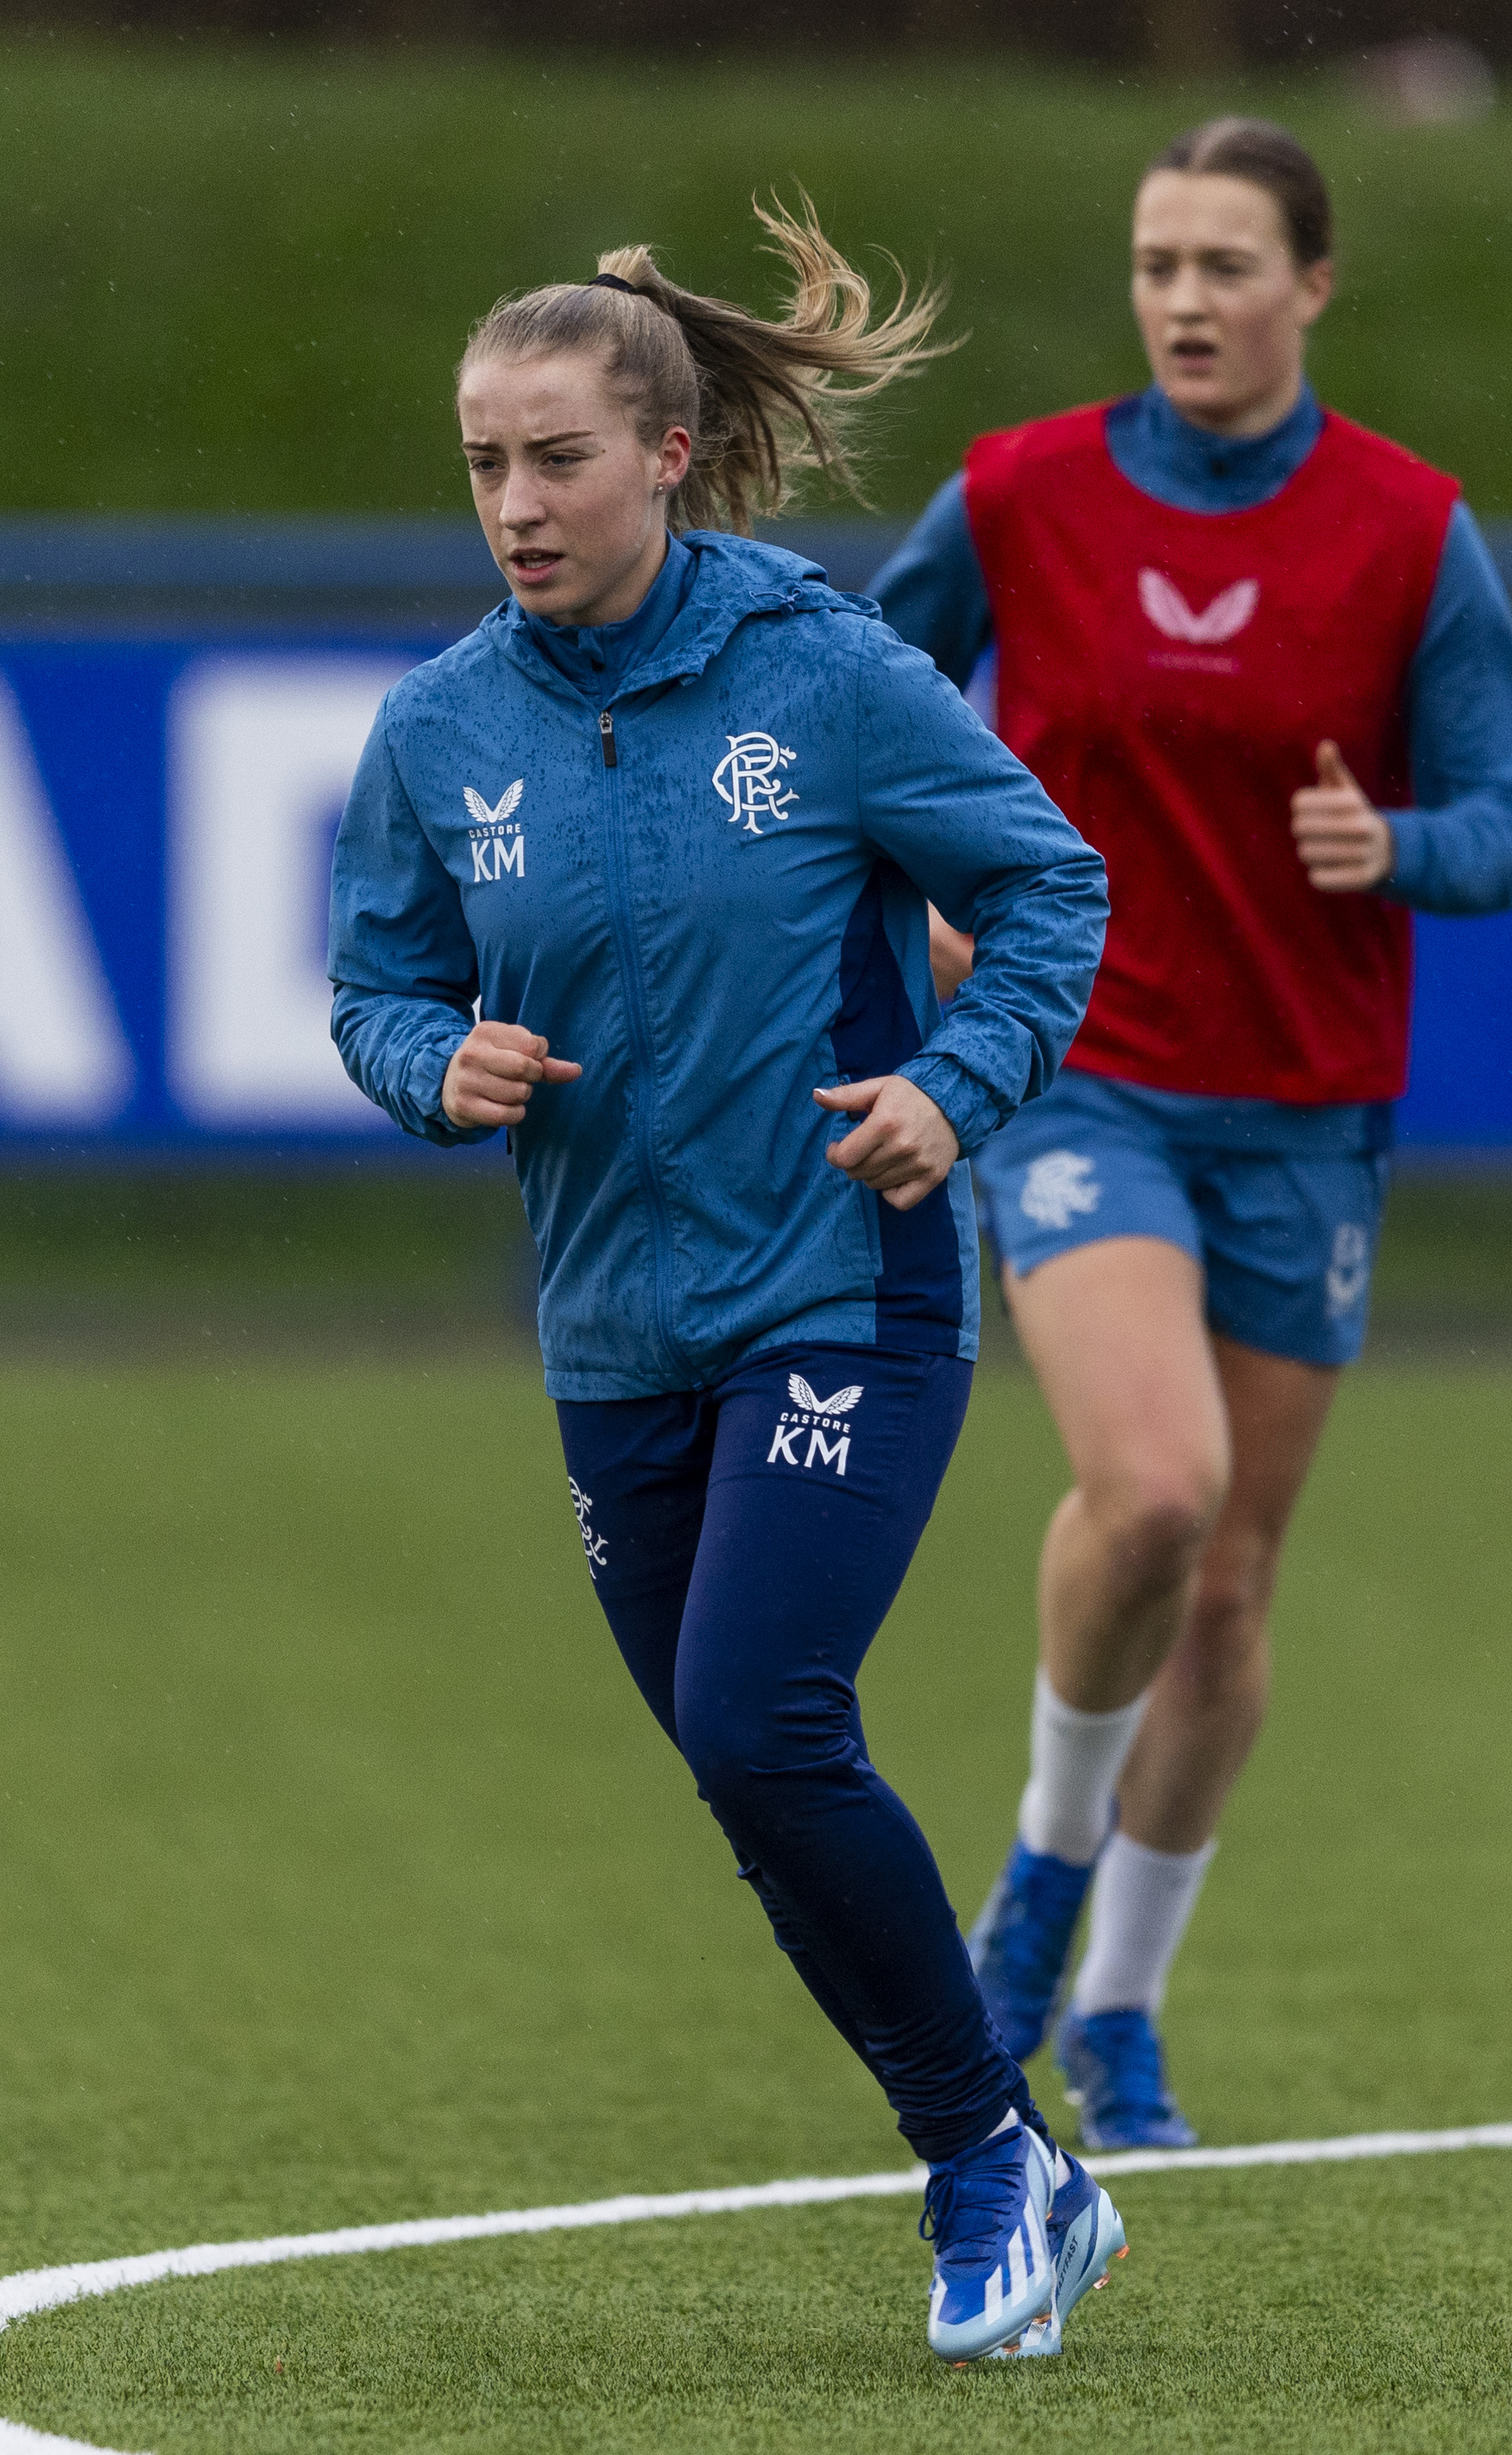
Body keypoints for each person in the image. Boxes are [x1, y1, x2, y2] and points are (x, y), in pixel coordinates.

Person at [327, 199, 1123, 2366]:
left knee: (758, 1713)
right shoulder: (437, 731)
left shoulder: (826, 677)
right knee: (746, 1763)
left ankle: (983, 2175)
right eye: (483, 462)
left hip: (843, 1284)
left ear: (666, 454)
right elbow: (378, 982)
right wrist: (432, 1062)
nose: (513, 504)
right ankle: (1020, 2166)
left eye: (554, 459)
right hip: (612, 1330)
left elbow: (1048, 885)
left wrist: (953, 1088)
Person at [872, 118, 1512, 2150]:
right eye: (1156, 261)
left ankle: (1119, 2010)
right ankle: (1036, 1880)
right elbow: (860, 693)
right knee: (1152, 1491)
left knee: (1232, 1585)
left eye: (1225, 264)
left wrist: (1395, 843)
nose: (1182, 297)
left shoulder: (1406, 530)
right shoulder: (1018, 494)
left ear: (1310, 288)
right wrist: (916, 877)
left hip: (1305, 1114)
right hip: (1077, 1072)